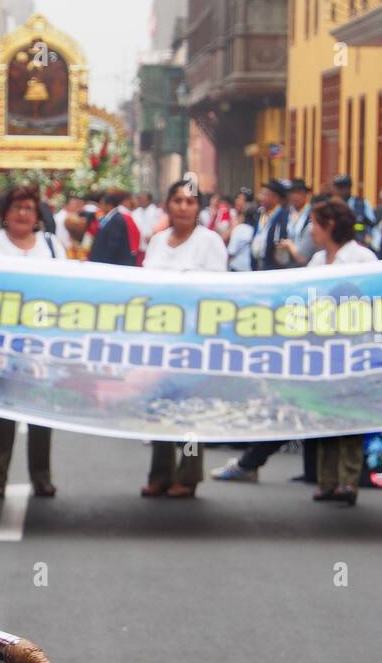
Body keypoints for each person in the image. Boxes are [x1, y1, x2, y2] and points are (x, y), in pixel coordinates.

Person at [0, 184, 62, 498]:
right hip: (0, 343)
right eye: (17, 207)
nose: (23, 214)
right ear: (5, 214)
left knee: (40, 411)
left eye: (29, 209)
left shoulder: (51, 245)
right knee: (0, 412)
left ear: (37, 216)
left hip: (40, 344)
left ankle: (42, 476)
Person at [141, 181, 229, 499]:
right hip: (161, 338)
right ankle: (160, 473)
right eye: (177, 200)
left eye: (190, 202)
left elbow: (217, 290)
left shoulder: (210, 242)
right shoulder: (158, 242)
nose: (183, 207)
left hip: (195, 339)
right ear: (167, 205)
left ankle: (189, 474)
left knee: (190, 412)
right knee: (160, 405)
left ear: (198, 208)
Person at [306, 198, 377, 505]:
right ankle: (326, 480)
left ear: (330, 226)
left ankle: (349, 480)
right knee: (326, 413)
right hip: (323, 348)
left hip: (353, 346)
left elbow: (376, 299)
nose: (310, 231)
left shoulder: (362, 259)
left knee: (349, 414)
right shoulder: (317, 261)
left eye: (314, 224)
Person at [88, 189, 137, 267]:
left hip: (111, 262)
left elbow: (113, 243)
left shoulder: (117, 219)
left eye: (102, 204)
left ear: (109, 205)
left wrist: (106, 261)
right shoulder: (109, 218)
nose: (100, 207)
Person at [275, 178, 317, 267]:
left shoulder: (312, 212)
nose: (296, 196)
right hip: (286, 262)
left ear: (306, 195)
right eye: (293, 193)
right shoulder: (283, 214)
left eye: (299, 193)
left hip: (307, 260)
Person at [250, 179, 289, 271]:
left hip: (272, 266)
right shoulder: (260, 213)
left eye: (265, 194)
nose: (260, 197)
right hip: (257, 265)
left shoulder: (282, 216)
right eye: (261, 194)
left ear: (275, 198)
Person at [330, 173, 377, 250]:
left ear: (349, 188)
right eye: (338, 188)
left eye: (344, 187)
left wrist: (371, 243)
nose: (341, 191)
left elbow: (373, 226)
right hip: (337, 247)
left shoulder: (362, 204)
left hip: (359, 246)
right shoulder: (331, 206)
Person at [227, 202, 258, 271]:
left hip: (236, 269)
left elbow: (231, 251)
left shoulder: (239, 229)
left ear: (244, 215)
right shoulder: (257, 230)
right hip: (252, 270)